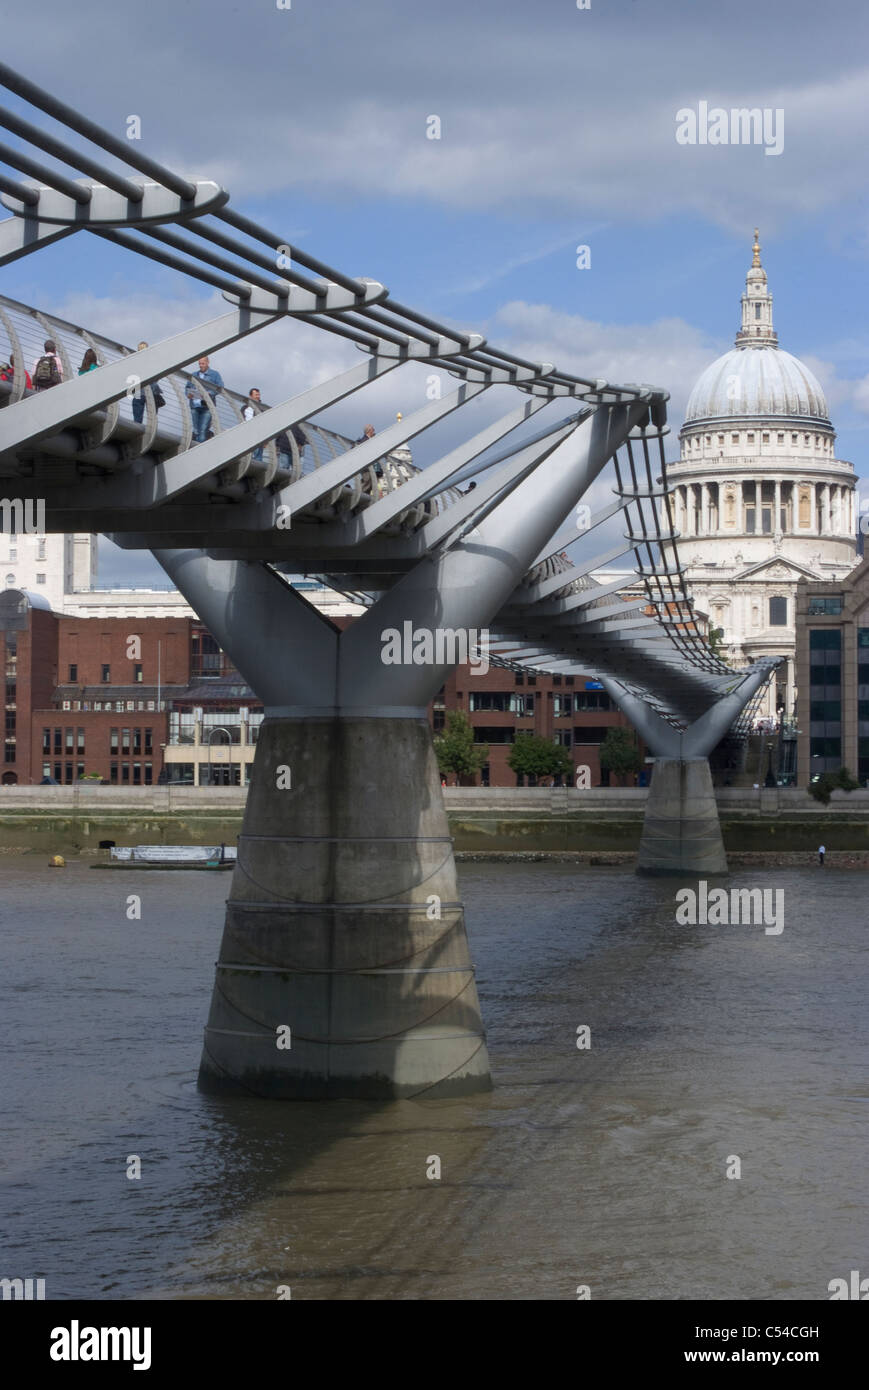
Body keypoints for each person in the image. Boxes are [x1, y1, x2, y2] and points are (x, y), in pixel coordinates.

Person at [185, 355, 223, 443]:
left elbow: (220, 387)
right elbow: (187, 387)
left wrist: (210, 394)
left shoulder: (214, 374)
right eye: (199, 364)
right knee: (196, 430)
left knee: (203, 430)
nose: (201, 365)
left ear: (207, 363)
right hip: (195, 405)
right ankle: (196, 447)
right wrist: (188, 394)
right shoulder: (194, 374)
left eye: (203, 363)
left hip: (207, 407)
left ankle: (199, 449)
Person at [242, 387, 264, 463]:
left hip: (257, 434)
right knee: (246, 454)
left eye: (258, 395)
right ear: (250, 396)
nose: (258, 396)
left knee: (257, 456)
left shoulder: (262, 408)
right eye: (256, 395)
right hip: (246, 434)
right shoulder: (244, 408)